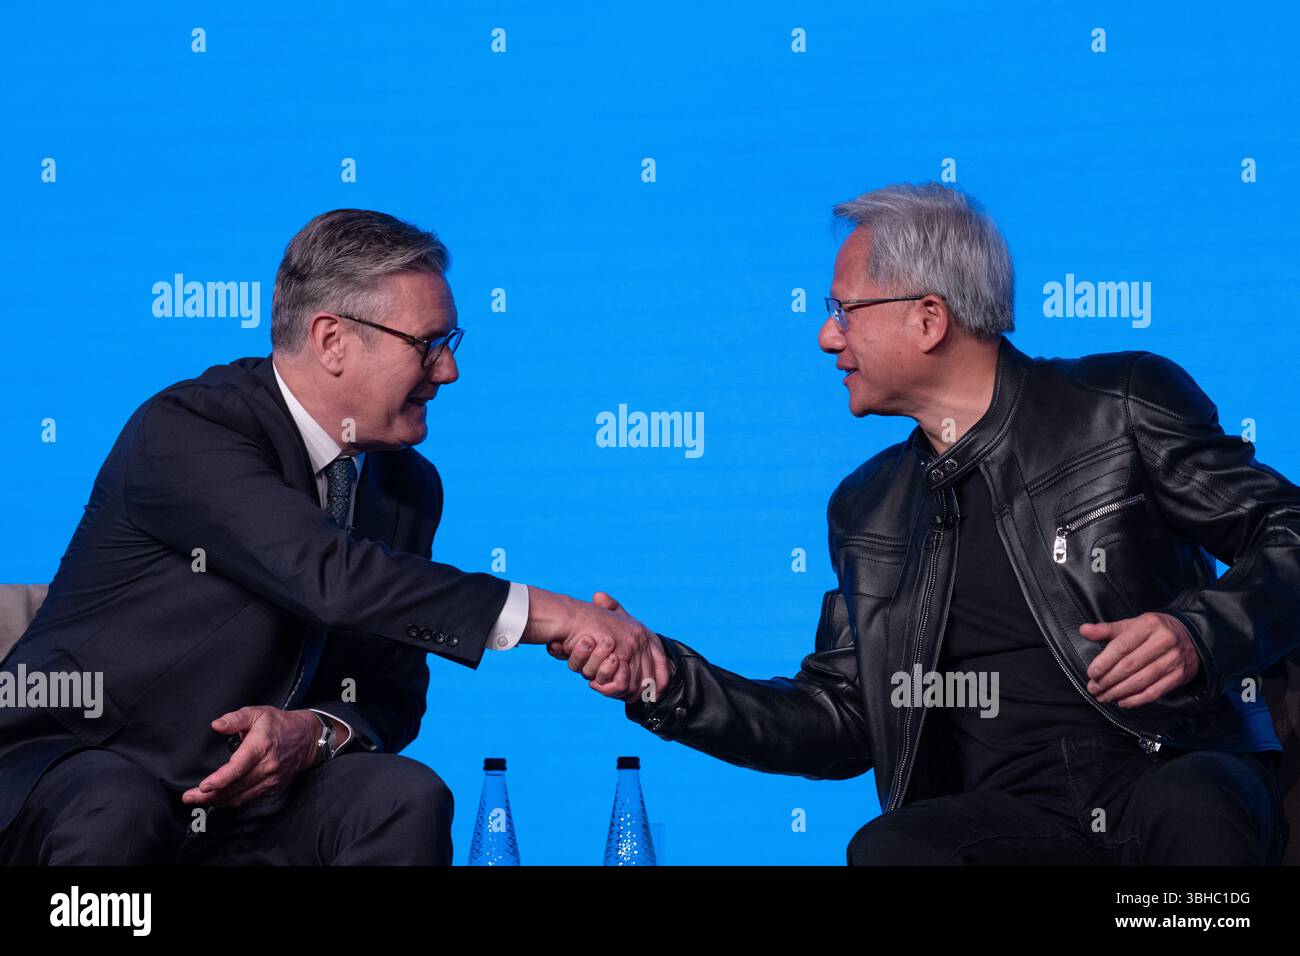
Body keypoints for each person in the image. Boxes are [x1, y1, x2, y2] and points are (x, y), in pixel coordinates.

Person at [558, 182, 1297, 865]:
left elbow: (1287, 531)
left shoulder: (1119, 403)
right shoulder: (868, 506)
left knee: (1195, 809)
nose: (825, 336)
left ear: (929, 317)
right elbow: (842, 717)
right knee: (892, 849)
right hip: (1011, 822)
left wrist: (1198, 633)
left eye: (843, 309)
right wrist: (667, 680)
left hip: (1164, 769)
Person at [0, 208, 665, 865]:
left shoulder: (405, 487)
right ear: (332, 340)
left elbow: (391, 696)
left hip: (247, 800)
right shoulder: (189, 428)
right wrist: (556, 615)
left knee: (404, 796)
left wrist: (315, 731)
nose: (447, 372)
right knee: (121, 808)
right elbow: (330, 579)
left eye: (450, 344)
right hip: (84, 767)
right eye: (426, 345)